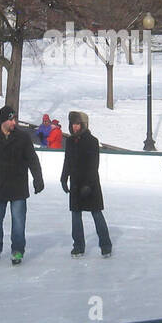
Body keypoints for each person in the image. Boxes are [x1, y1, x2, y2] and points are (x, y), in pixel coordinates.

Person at [0, 106, 44, 264]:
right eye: (11, 119)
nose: (14, 122)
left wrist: (38, 178)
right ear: (3, 120)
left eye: (15, 119)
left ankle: (18, 250)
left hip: (18, 187)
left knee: (18, 222)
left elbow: (32, 159)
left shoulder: (23, 138)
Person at [60, 110, 112, 258]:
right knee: (75, 215)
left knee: (96, 213)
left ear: (83, 125)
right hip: (75, 184)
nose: (75, 127)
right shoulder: (70, 141)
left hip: (90, 184)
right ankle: (78, 246)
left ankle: (106, 245)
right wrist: (64, 178)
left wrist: (88, 185)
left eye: (77, 124)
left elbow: (93, 164)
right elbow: (67, 161)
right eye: (72, 124)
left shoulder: (92, 141)